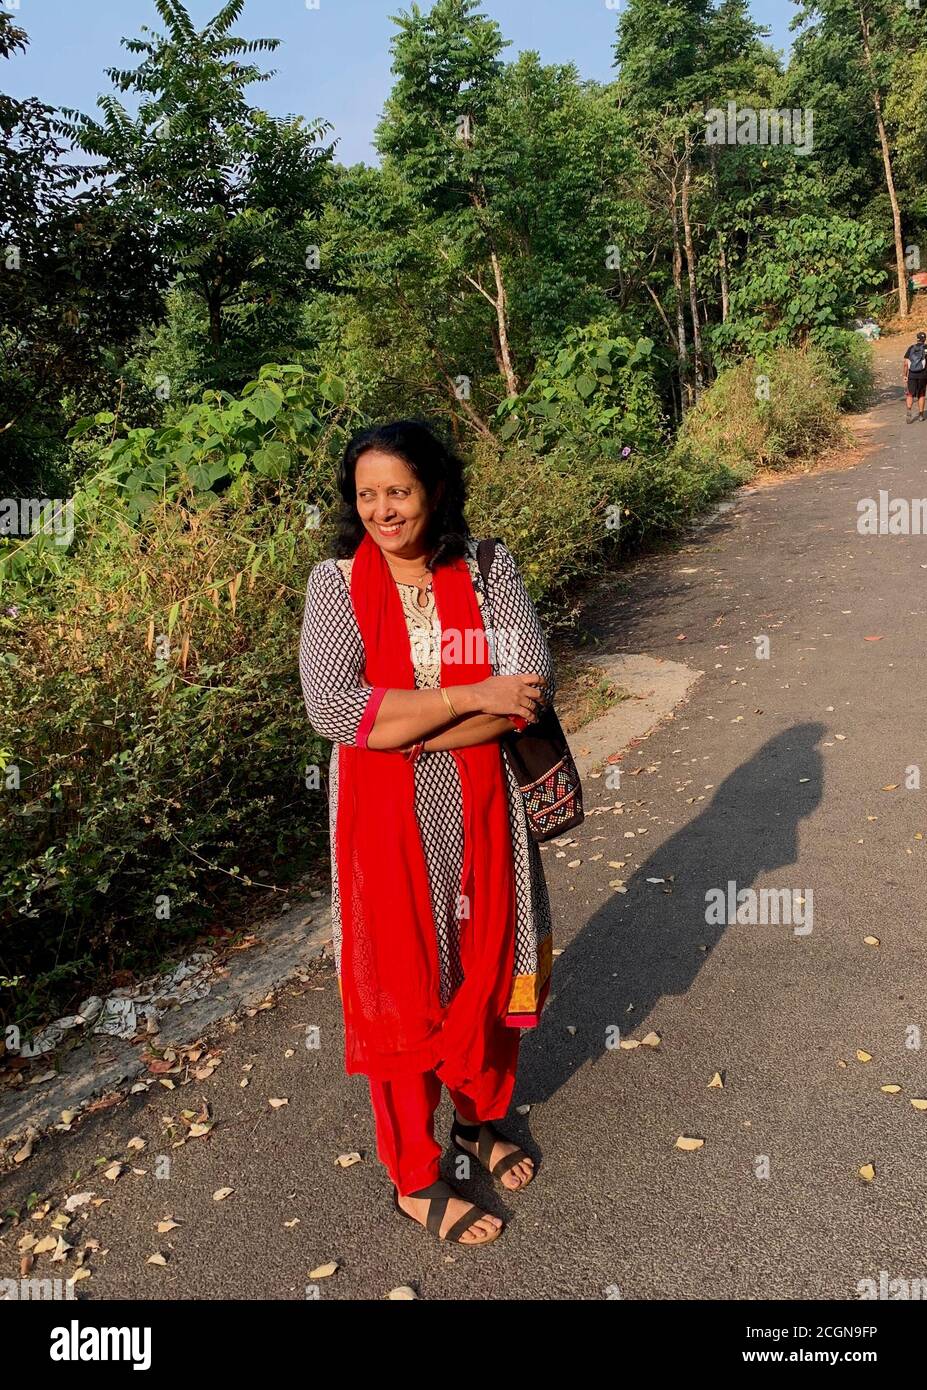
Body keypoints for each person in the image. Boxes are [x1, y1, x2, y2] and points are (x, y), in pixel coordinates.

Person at [298, 420, 556, 1247]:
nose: (382, 510)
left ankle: (478, 1121)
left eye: (398, 491)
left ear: (434, 490)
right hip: (381, 827)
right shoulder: (337, 584)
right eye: (366, 494)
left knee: (485, 967)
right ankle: (414, 1174)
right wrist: (467, 695)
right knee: (401, 987)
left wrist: (399, 729)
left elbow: (526, 693)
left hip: (483, 812)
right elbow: (333, 709)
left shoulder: (486, 569)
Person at [903, 331, 927, 422]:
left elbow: (906, 363)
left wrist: (905, 375)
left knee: (910, 393)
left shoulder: (911, 348)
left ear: (917, 339)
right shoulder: (926, 348)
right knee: (921, 394)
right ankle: (920, 415)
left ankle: (909, 410)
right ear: (925, 339)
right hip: (923, 375)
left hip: (912, 374)